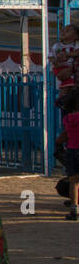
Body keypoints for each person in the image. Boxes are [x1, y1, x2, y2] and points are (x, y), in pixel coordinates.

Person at [60, 86, 79, 221]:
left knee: (74, 182)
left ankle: (74, 209)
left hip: (72, 151)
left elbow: (63, 137)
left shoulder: (67, 119)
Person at [50, 22, 79, 88]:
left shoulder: (75, 44)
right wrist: (54, 61)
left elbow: (77, 52)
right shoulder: (57, 45)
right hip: (60, 67)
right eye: (63, 30)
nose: (63, 32)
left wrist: (67, 54)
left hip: (70, 68)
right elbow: (50, 55)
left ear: (76, 36)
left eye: (67, 31)